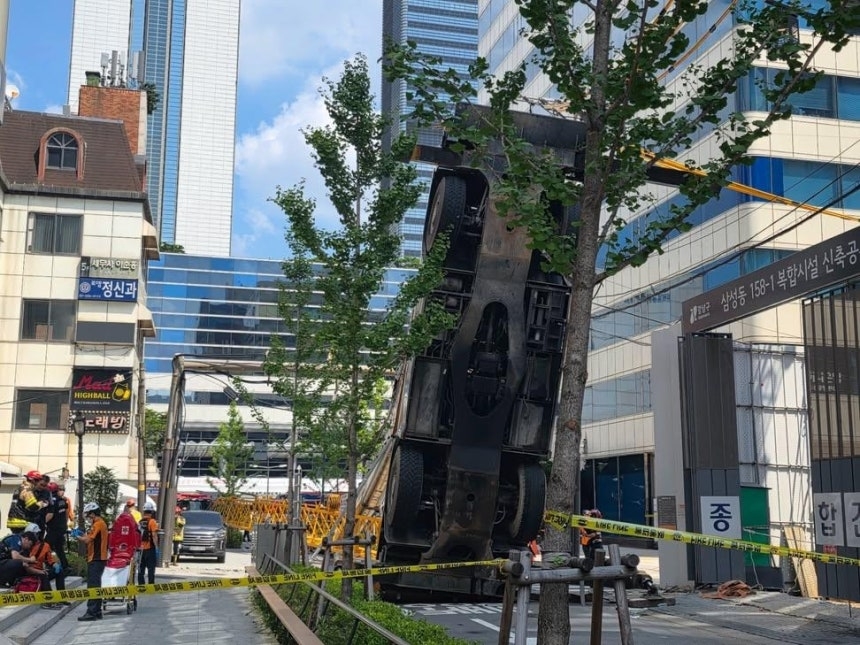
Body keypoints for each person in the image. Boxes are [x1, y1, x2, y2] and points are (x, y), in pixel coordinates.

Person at [76, 502, 108, 621]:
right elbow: (90, 537)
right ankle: (97, 611)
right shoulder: (100, 523)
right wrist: (82, 534)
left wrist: (77, 537)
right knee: (96, 585)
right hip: (99, 558)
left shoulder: (98, 524)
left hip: (96, 558)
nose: (88, 518)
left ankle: (91, 612)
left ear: (93, 514)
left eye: (89, 515)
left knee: (93, 586)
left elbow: (88, 540)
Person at [28, 530, 66, 609]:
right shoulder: (25, 545)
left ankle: (61, 597)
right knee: (43, 575)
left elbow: (50, 560)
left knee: (60, 572)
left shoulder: (45, 546)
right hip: (30, 572)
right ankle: (49, 601)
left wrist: (54, 564)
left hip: (40, 570)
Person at [45, 482, 70, 574]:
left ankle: (49, 565)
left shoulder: (52, 500)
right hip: (62, 528)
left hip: (54, 528)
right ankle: (66, 566)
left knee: (45, 547)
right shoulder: (62, 500)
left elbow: (50, 515)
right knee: (59, 548)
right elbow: (65, 512)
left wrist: (42, 522)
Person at [137, 501, 159, 585]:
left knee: (141, 568)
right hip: (150, 548)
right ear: (152, 511)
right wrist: (156, 547)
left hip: (141, 549)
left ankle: (141, 584)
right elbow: (154, 535)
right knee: (151, 568)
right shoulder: (152, 522)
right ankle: (150, 585)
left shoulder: (140, 522)